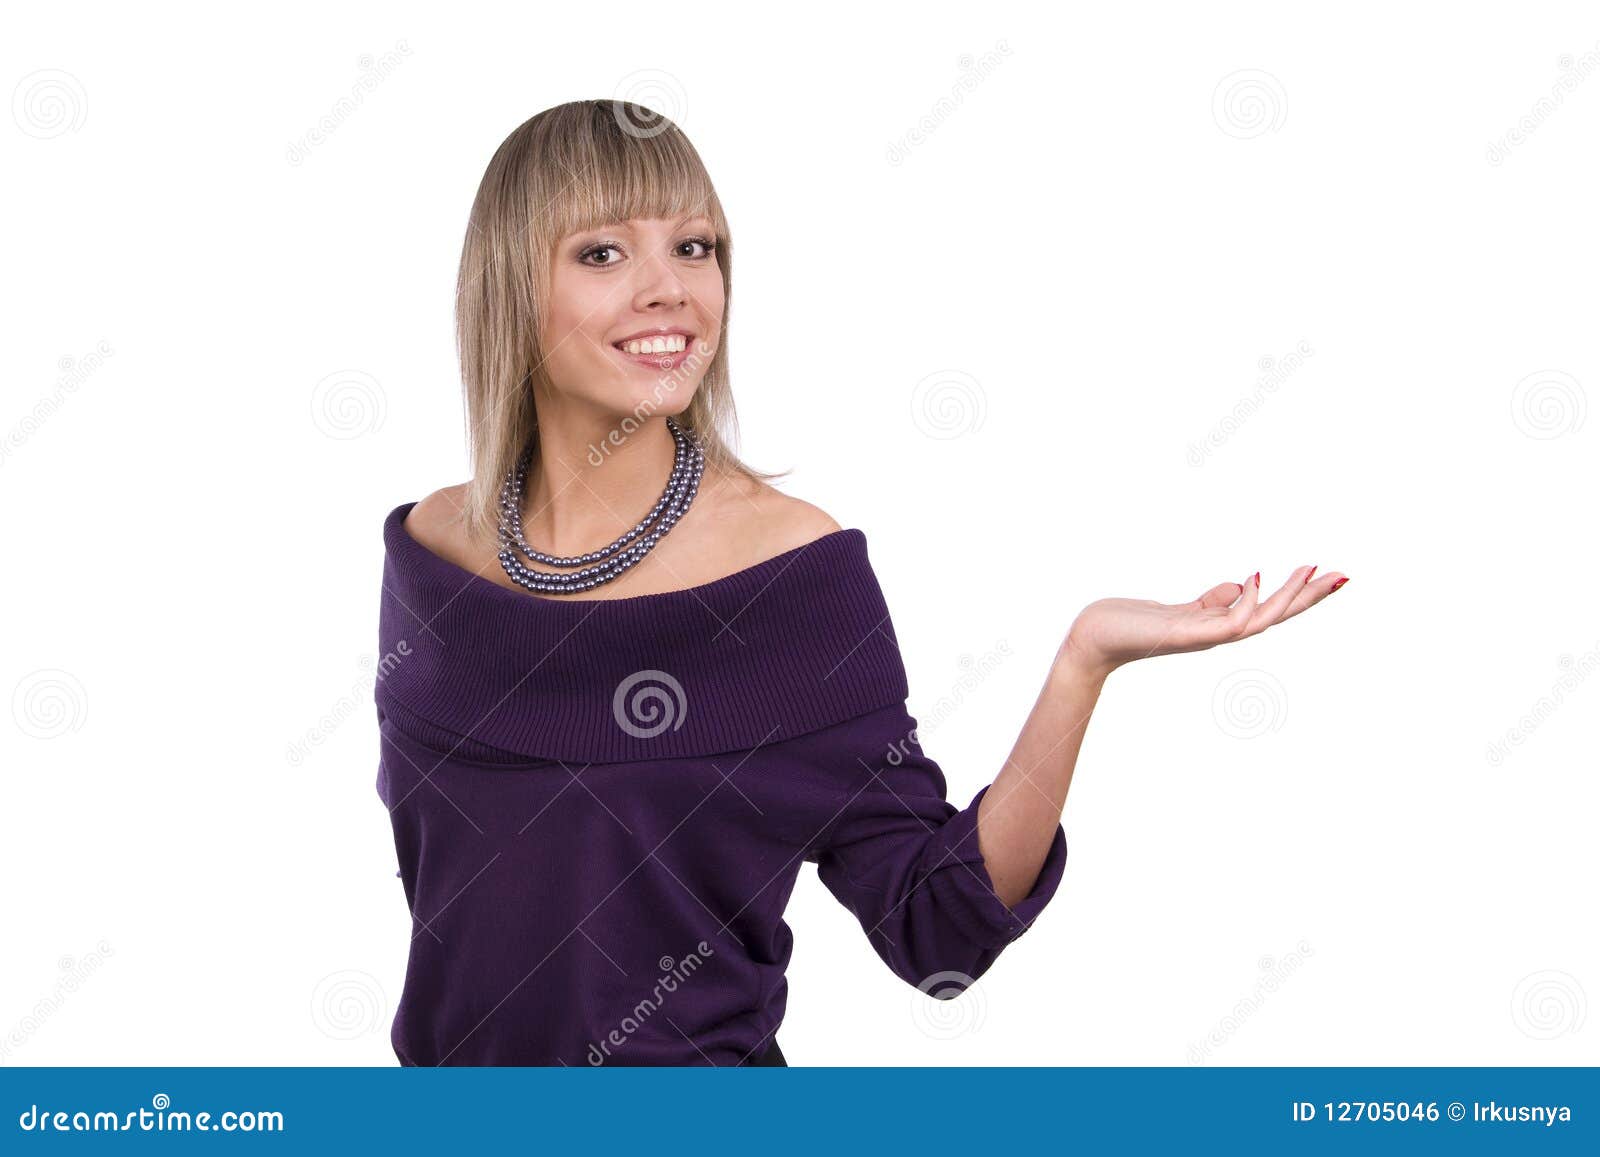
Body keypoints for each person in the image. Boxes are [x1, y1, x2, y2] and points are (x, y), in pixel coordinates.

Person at [374, 98, 1349, 1067]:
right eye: (603, 253)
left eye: (696, 247)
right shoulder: (432, 552)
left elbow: (937, 927)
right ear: (509, 284)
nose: (670, 288)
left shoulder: (789, 581)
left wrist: (1082, 660)